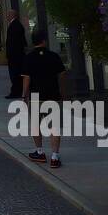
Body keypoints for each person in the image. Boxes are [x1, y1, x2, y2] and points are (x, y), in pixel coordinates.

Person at [21, 29, 66, 167]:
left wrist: (24, 95)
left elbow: (27, 78)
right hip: (52, 95)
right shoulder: (54, 56)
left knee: (35, 125)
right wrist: (62, 92)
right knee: (54, 127)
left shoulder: (28, 58)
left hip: (36, 96)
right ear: (44, 41)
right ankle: (54, 156)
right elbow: (62, 76)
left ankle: (39, 152)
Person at [5, 10, 27, 99]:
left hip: (14, 55)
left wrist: (9, 54)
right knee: (16, 73)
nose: (7, 16)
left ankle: (16, 91)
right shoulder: (16, 25)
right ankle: (17, 90)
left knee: (15, 74)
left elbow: (13, 42)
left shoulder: (14, 26)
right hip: (17, 54)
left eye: (8, 15)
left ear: (12, 15)